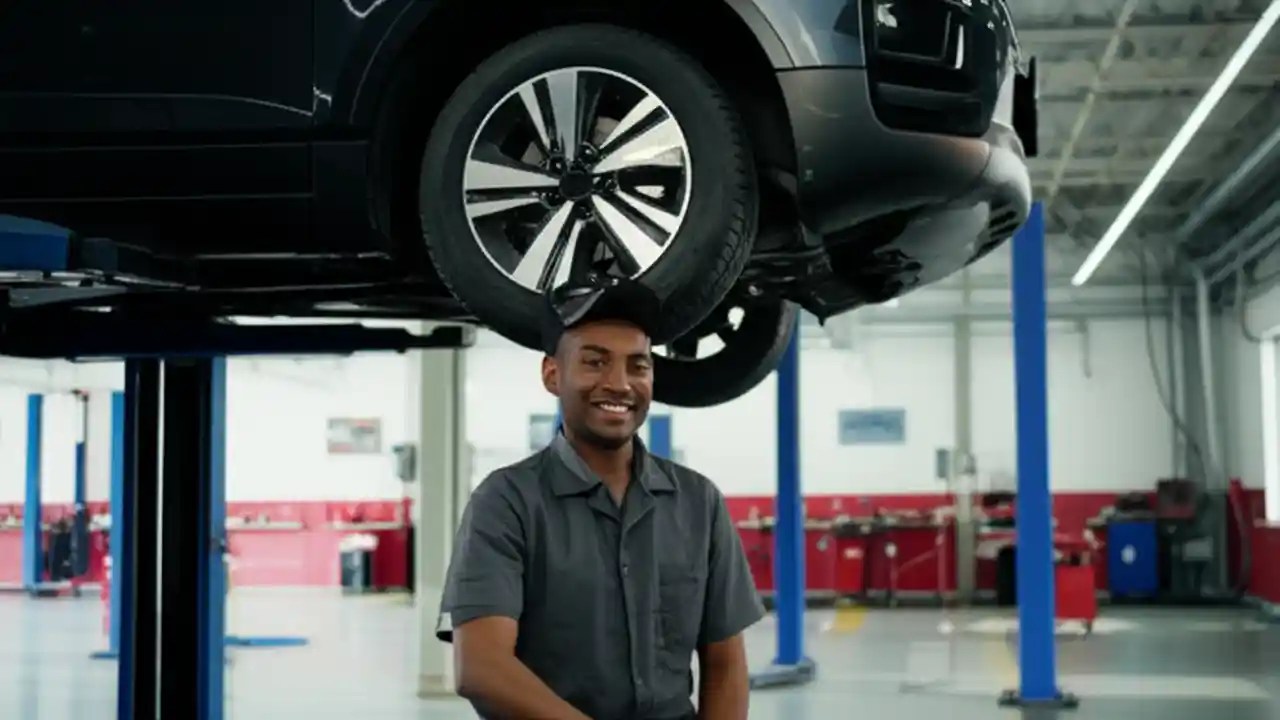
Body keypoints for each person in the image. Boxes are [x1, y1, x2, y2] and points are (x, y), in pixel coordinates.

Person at [436, 277, 765, 720]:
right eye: (594, 362)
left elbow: (725, 664)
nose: (619, 384)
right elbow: (480, 668)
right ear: (553, 374)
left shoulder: (698, 502)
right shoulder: (506, 502)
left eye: (638, 366)